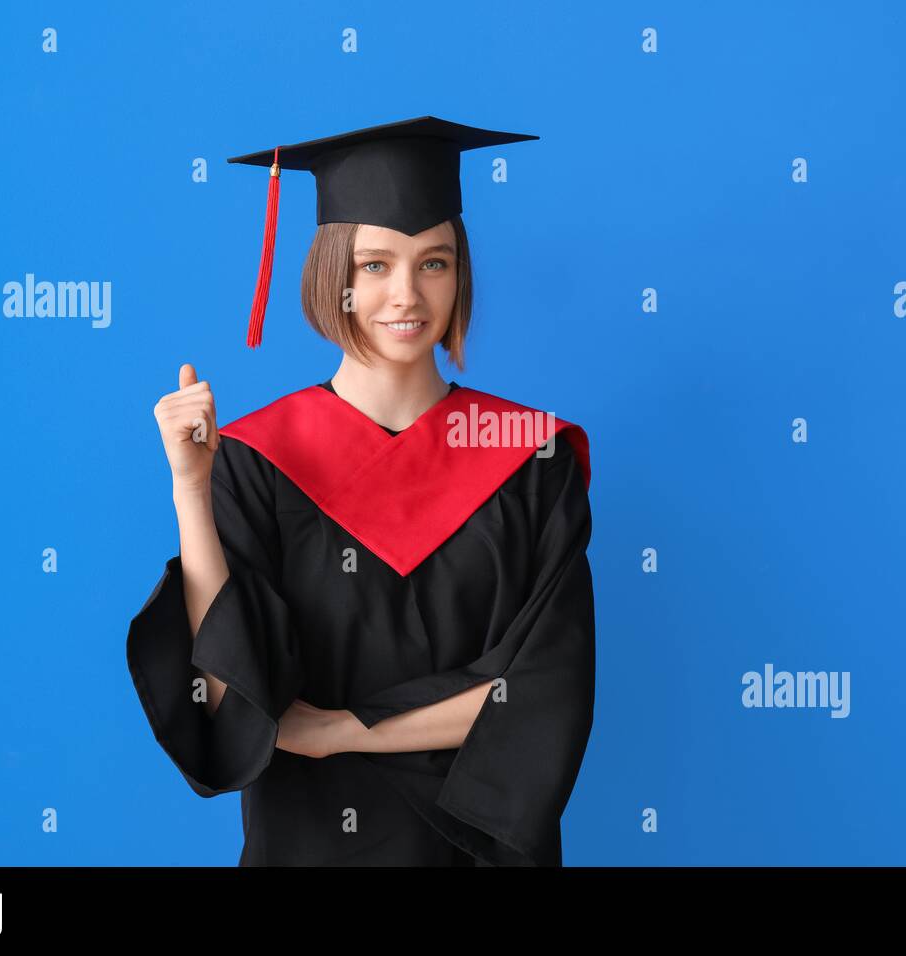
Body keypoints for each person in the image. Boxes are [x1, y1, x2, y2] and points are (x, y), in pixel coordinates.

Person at [125, 117, 595, 866]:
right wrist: (191, 490)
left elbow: (544, 692)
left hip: (475, 845)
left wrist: (345, 730)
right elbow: (231, 695)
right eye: (375, 265)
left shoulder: (529, 459)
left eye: (433, 262)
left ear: (459, 274)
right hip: (306, 840)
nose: (406, 293)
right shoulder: (258, 458)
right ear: (333, 278)